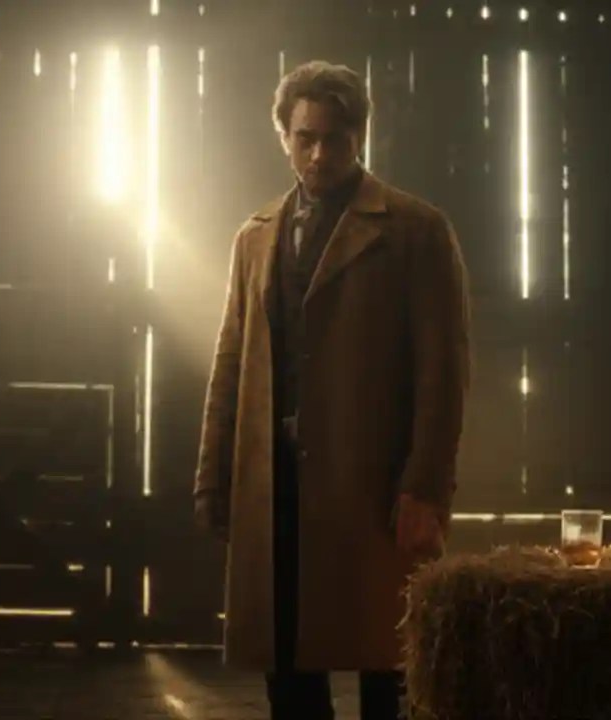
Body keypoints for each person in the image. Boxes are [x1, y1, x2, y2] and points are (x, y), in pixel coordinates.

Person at [193, 60, 471, 720]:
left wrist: (426, 485)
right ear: (283, 137)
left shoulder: (414, 230)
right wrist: (214, 473)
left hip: (375, 483)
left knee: (389, 663)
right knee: (287, 661)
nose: (319, 154)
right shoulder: (255, 237)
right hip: (276, 481)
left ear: (360, 138)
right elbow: (231, 358)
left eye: (336, 139)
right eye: (305, 137)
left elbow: (444, 369)